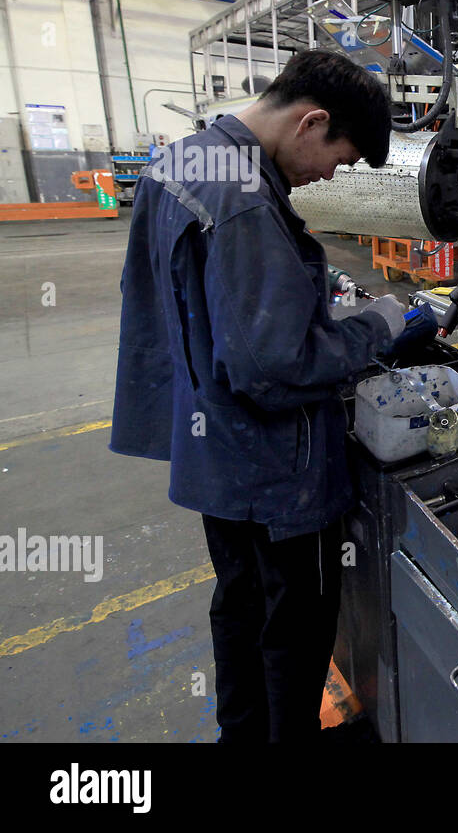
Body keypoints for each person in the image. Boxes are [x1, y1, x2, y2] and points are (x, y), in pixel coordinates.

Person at [111, 50, 408, 742]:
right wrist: (377, 325)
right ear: (313, 121)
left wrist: (295, 298)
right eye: (340, 156)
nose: (329, 174)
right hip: (281, 477)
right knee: (295, 631)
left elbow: (179, 308)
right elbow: (275, 368)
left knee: (240, 609)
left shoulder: (183, 162)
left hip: (214, 455)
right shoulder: (246, 202)